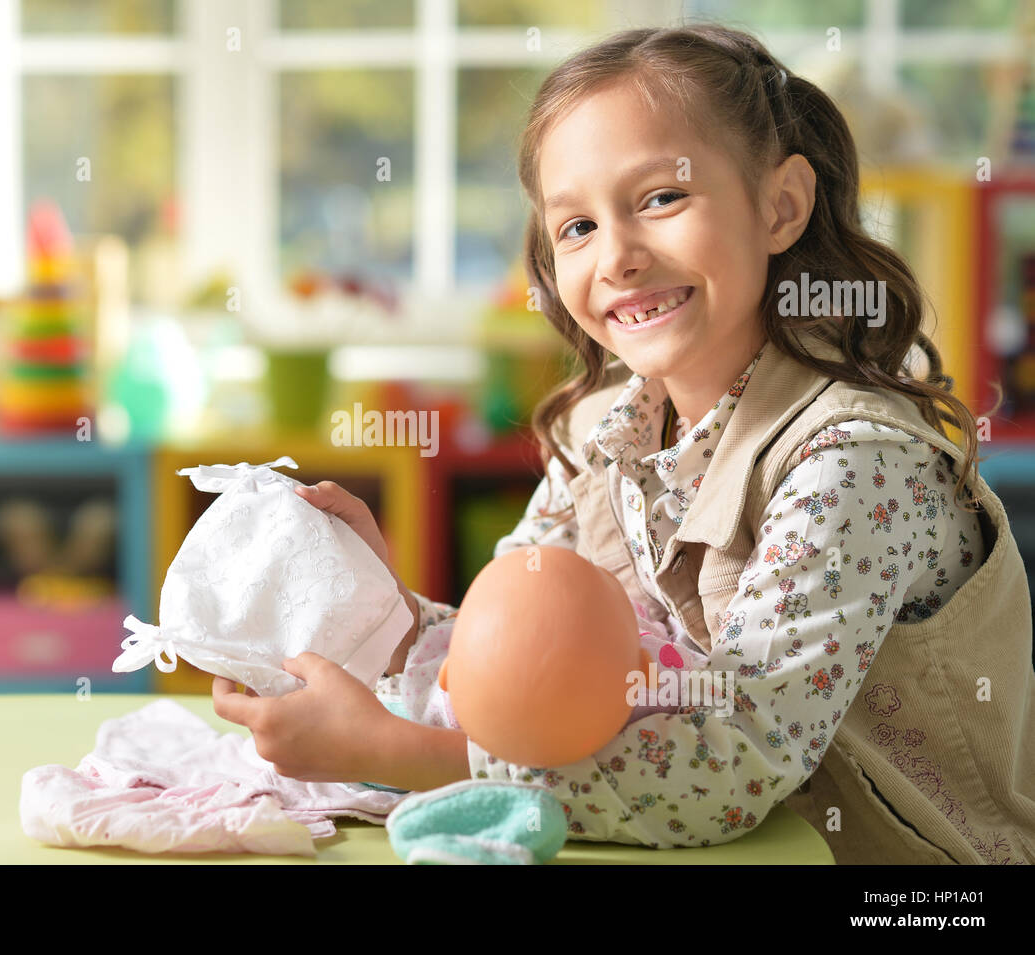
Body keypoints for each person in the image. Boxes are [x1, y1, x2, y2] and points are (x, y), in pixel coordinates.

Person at [211, 23, 1035, 864]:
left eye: (661, 199)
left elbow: (734, 759)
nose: (618, 257)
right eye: (576, 228)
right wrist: (387, 614)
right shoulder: (605, 434)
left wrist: (390, 754)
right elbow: (527, 672)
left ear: (781, 206)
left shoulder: (852, 460)